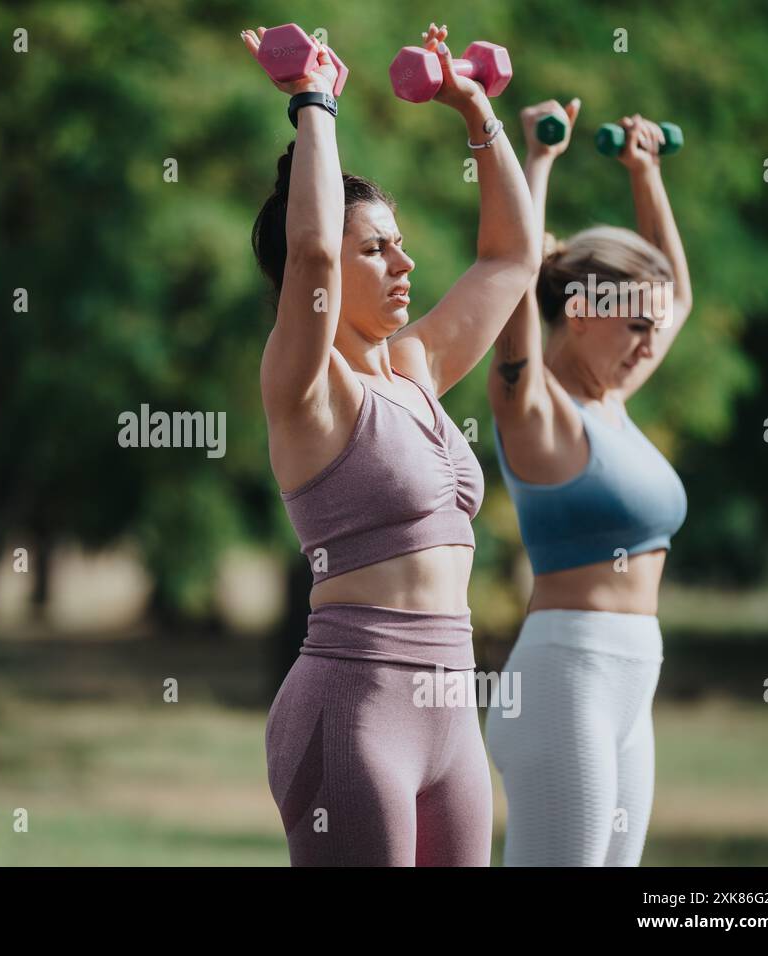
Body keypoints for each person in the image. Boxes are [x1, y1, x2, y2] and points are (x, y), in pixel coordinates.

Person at [244, 23, 539, 865]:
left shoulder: (415, 372)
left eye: (401, 243)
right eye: (376, 248)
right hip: (353, 711)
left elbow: (511, 260)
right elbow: (309, 254)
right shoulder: (309, 391)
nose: (405, 263)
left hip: (452, 718)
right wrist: (315, 101)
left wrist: (473, 108)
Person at [484, 99, 692, 866]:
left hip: (630, 683)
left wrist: (647, 177)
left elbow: (682, 299)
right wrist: (537, 164)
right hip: (564, 680)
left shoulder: (613, 406)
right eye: (637, 324)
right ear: (580, 310)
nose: (651, 344)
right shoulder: (539, 413)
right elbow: (511, 304)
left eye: (653, 326)